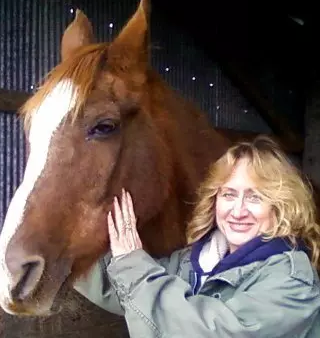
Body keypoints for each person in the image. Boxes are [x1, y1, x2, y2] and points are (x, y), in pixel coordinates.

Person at [74, 135, 320, 337]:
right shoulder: (192, 260)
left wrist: (134, 268)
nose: (238, 211)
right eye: (228, 195)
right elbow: (123, 292)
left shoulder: (292, 282)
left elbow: (211, 333)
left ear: (281, 206)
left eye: (255, 197)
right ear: (214, 200)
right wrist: (66, 249)